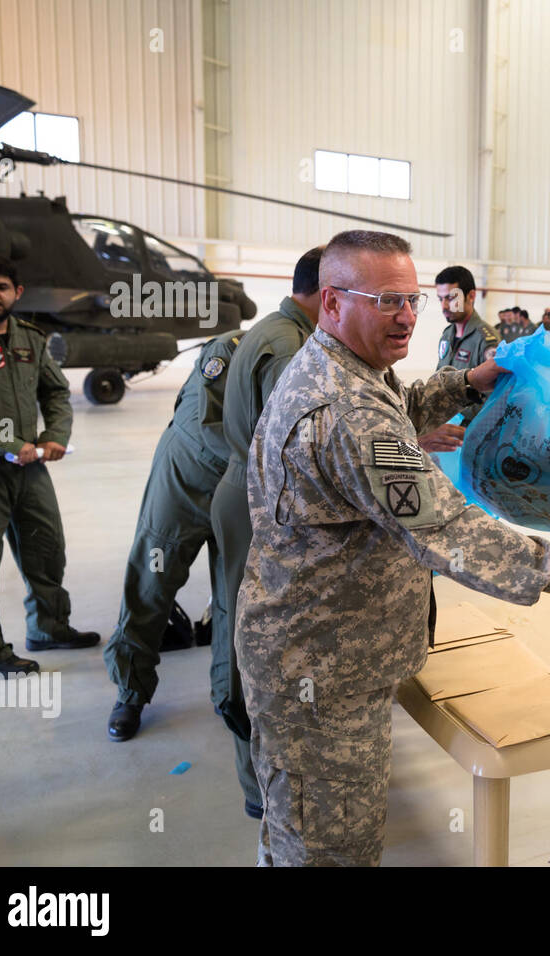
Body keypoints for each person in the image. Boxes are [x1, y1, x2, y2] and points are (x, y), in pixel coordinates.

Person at [234, 230, 550, 866]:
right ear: (333, 301)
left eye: (412, 299)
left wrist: (473, 380)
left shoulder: (346, 369)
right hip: (320, 673)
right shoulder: (347, 411)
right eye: (387, 300)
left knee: (300, 834)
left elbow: (402, 404)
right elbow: (445, 528)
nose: (408, 316)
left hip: (328, 657)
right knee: (329, 850)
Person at [210, 246, 323, 816]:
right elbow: (297, 450)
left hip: (245, 490)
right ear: (327, 292)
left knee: (240, 620)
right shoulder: (290, 347)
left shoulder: (277, 330)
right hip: (259, 500)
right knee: (254, 638)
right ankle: (260, 788)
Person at [0, 253, 98, 677]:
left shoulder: (30, 338)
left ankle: (49, 627)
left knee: (46, 548)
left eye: (1, 286)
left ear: (17, 292)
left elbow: (56, 392)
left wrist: (55, 435)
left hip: (29, 466)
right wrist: (9, 441)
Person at [103, 327, 241, 742]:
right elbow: (210, 423)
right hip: (186, 478)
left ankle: (228, 694)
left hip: (241, 488)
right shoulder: (235, 348)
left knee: (234, 597)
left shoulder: (318, 355)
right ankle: (131, 692)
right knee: (152, 584)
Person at [431, 265, 499, 435]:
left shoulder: (487, 339)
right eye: (440, 299)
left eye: (451, 298)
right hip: (446, 427)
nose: (444, 306)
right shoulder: (447, 335)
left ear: (471, 296)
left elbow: (495, 398)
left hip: (473, 432)